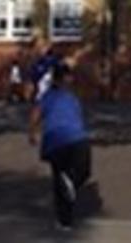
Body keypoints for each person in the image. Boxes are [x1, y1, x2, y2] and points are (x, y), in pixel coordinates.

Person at [29, 63, 92, 232]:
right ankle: (65, 220)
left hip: (67, 140)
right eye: (67, 77)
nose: (70, 80)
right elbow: (36, 113)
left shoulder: (69, 97)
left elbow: (36, 114)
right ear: (60, 79)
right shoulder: (52, 96)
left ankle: (65, 217)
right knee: (67, 180)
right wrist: (33, 132)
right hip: (64, 140)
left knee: (66, 181)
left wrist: (33, 132)